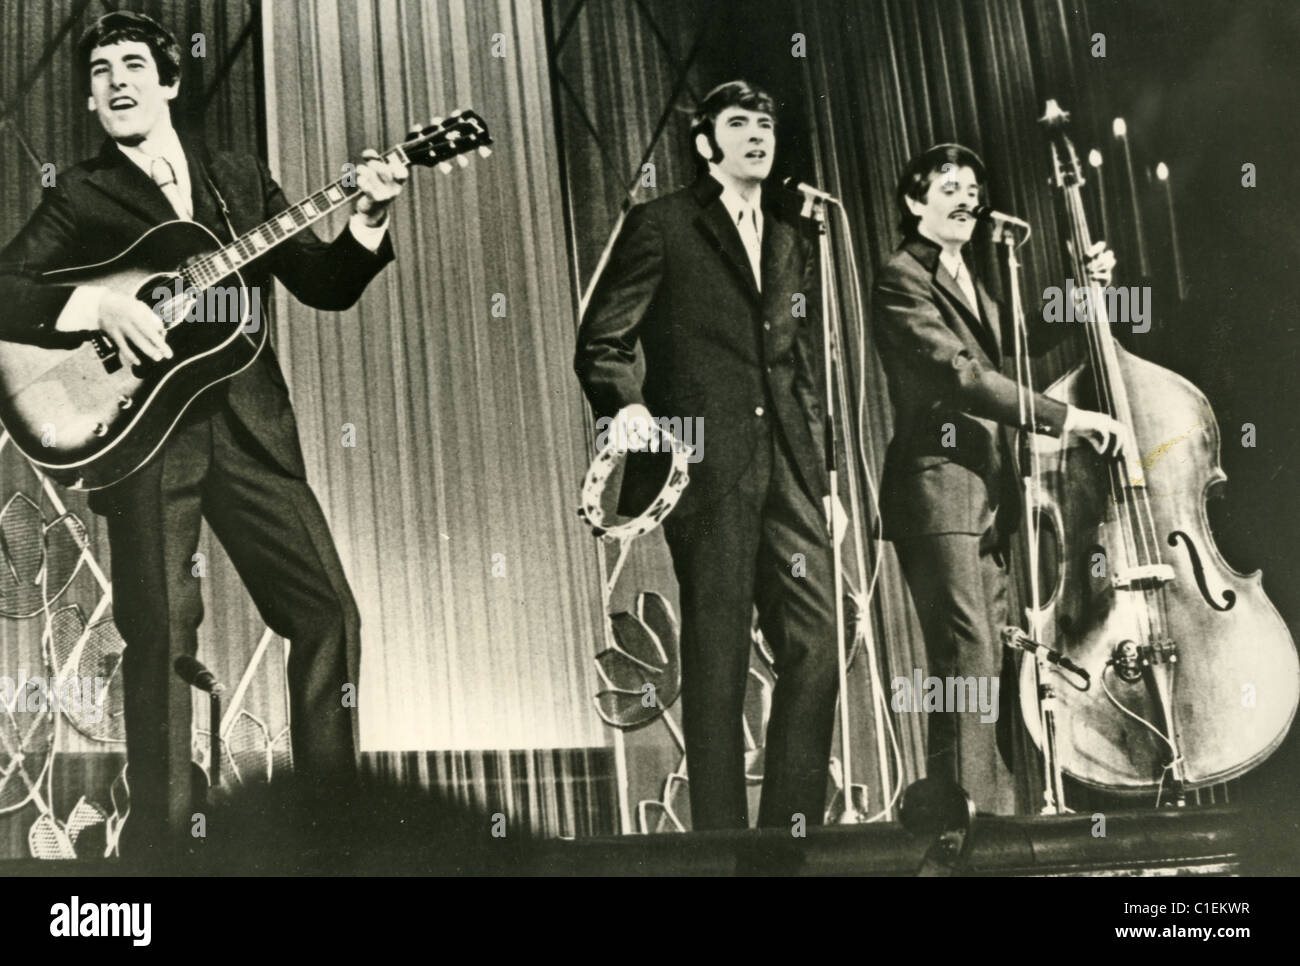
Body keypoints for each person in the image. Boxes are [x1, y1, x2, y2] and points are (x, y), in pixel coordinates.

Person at [0, 11, 408, 858]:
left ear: (171, 82)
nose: (117, 81)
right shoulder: (80, 192)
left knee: (328, 613)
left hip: (252, 430)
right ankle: (162, 856)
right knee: (162, 638)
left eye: (134, 66)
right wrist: (102, 305)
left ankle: (332, 836)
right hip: (147, 439)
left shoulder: (236, 175)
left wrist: (366, 218)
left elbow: (323, 284)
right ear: (89, 99)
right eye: (102, 71)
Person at [575, 80, 842, 830]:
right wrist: (625, 408)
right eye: (738, 123)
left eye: (765, 121)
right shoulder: (662, 224)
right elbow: (603, 337)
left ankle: (789, 833)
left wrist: (824, 479)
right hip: (704, 465)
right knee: (718, 663)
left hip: (790, 468)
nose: (758, 133)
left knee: (817, 644)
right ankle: (721, 845)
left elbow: (797, 369)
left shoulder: (792, 240)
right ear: (706, 144)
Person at [872, 143, 1126, 811]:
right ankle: (967, 826)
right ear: (914, 202)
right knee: (968, 656)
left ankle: (971, 816)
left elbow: (1016, 340)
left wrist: (1083, 294)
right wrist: (1063, 418)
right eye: (948, 186)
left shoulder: (965, 273)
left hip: (985, 495)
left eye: (972, 186)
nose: (966, 196)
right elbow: (962, 374)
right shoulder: (901, 276)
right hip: (939, 494)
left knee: (985, 661)